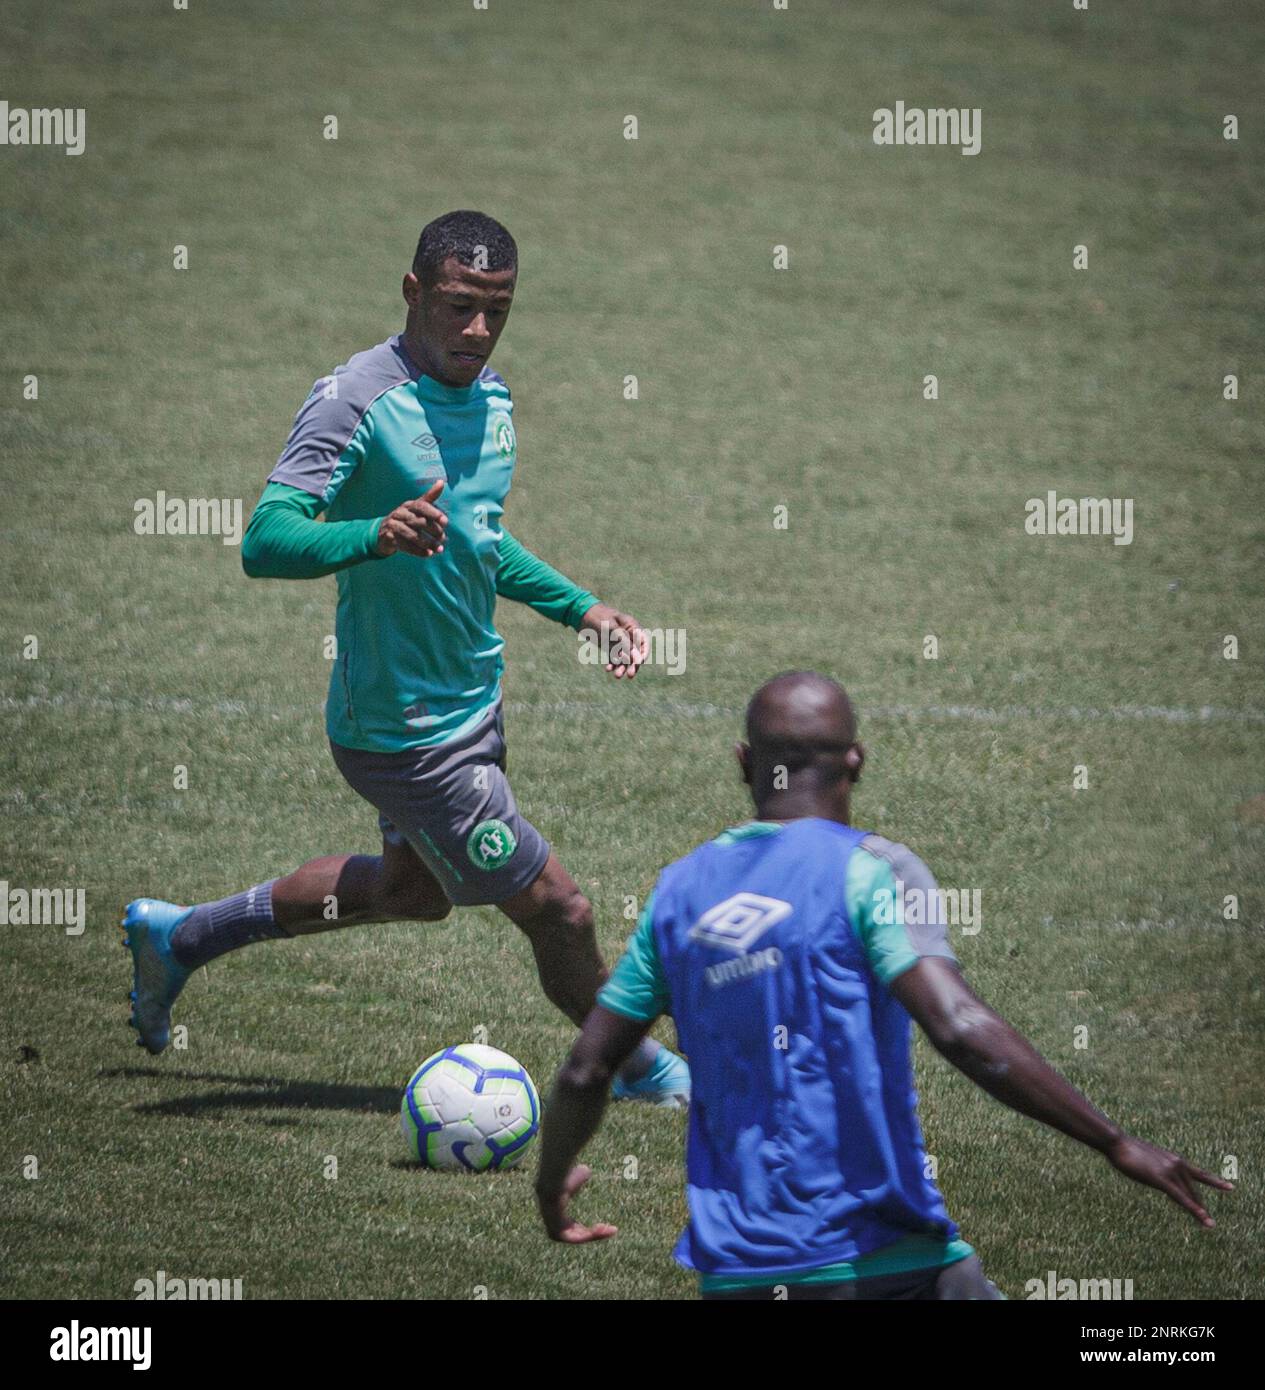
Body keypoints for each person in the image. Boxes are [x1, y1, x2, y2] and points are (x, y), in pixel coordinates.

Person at [121, 209, 689, 1108]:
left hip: (471, 703)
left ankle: (181, 938)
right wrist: (373, 535)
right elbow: (264, 540)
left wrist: (581, 607)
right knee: (560, 909)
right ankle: (638, 1069)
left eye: (496, 311)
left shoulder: (491, 396)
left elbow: (477, 541)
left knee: (409, 892)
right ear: (413, 292)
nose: (476, 331)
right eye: (459, 307)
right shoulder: (357, 399)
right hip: (405, 732)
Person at [535, 671, 1231, 1297]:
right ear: (855, 762)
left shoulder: (678, 893)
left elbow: (586, 1067)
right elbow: (957, 1026)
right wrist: (1112, 1141)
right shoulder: (874, 870)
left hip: (742, 1275)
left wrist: (551, 1182)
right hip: (889, 1264)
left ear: (744, 763)